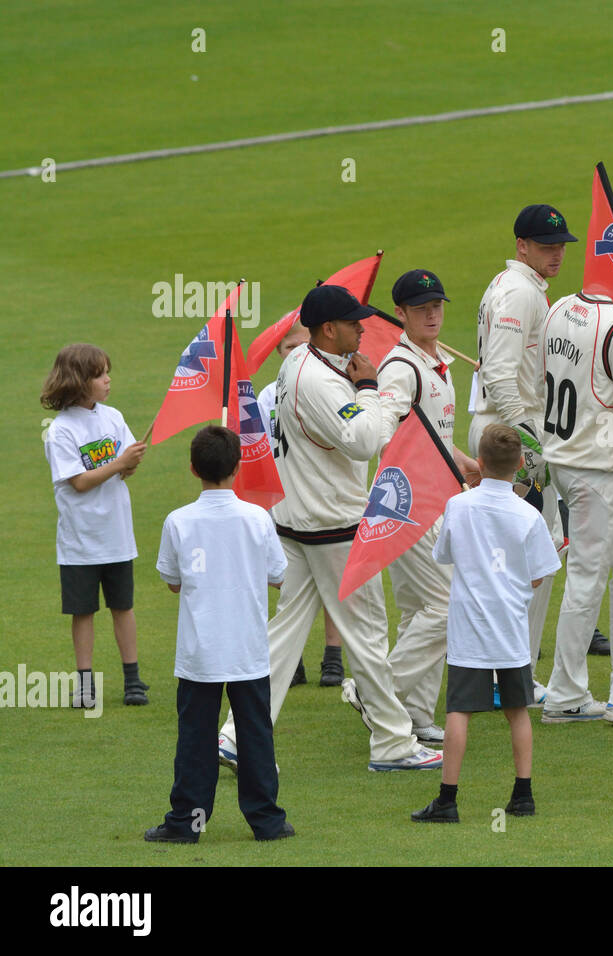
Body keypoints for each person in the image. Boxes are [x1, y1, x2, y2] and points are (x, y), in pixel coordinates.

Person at [217, 285, 441, 772]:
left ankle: (236, 736)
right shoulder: (319, 380)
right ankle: (393, 743)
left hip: (297, 521)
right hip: (332, 524)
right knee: (367, 635)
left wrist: (358, 385)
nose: (363, 329)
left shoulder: (300, 366)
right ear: (327, 330)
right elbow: (363, 443)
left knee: (284, 635)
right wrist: (370, 389)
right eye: (353, 323)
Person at [146, 426, 294, 842]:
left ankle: (186, 825)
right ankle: (267, 822)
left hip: (200, 652)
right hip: (247, 648)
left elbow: (172, 581)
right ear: (238, 467)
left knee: (195, 739)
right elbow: (279, 576)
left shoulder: (178, 521)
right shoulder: (257, 518)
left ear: (194, 468)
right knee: (255, 736)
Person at [412, 425, 561, 822]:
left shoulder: (459, 506)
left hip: (469, 626)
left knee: (459, 710)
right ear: (519, 467)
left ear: (479, 463)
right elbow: (538, 574)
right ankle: (523, 794)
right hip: (510, 625)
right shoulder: (528, 515)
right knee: (517, 710)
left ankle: (447, 799)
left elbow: (445, 555)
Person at [539, 281, 613, 724]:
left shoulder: (559, 309)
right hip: (596, 470)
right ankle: (565, 694)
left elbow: (538, 379)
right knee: (587, 577)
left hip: (567, 459)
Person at [370, 269, 480, 745]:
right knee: (446, 606)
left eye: (437, 305)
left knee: (418, 610)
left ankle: (413, 715)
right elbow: (390, 432)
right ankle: (379, 693)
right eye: (421, 308)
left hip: (435, 497)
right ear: (401, 313)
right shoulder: (401, 368)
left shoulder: (435, 362)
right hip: (409, 502)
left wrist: (464, 463)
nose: (432, 314)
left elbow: (433, 437)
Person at [471, 204, 577, 697]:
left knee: (518, 556)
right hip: (509, 434)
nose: (555, 254)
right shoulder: (519, 292)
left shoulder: (512, 286)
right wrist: (528, 444)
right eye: (545, 246)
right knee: (537, 555)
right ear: (522, 246)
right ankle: (514, 676)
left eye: (559, 246)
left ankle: (506, 674)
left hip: (502, 430)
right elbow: (498, 374)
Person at [41, 344, 150, 709]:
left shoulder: (113, 416)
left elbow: (124, 469)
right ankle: (85, 684)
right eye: (100, 374)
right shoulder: (61, 430)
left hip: (117, 535)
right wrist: (120, 463)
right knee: (83, 611)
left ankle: (133, 679)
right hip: (80, 541)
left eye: (107, 372)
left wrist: (129, 462)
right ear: (79, 381)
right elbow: (80, 482)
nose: (108, 379)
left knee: (123, 606)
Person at [258, 320, 344, 688]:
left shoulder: (328, 387)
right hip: (282, 501)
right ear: (278, 353)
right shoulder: (267, 396)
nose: (294, 352)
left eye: (301, 345)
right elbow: (259, 450)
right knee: (288, 584)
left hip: (324, 498)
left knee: (333, 582)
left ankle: (333, 657)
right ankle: (290, 661)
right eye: (287, 347)